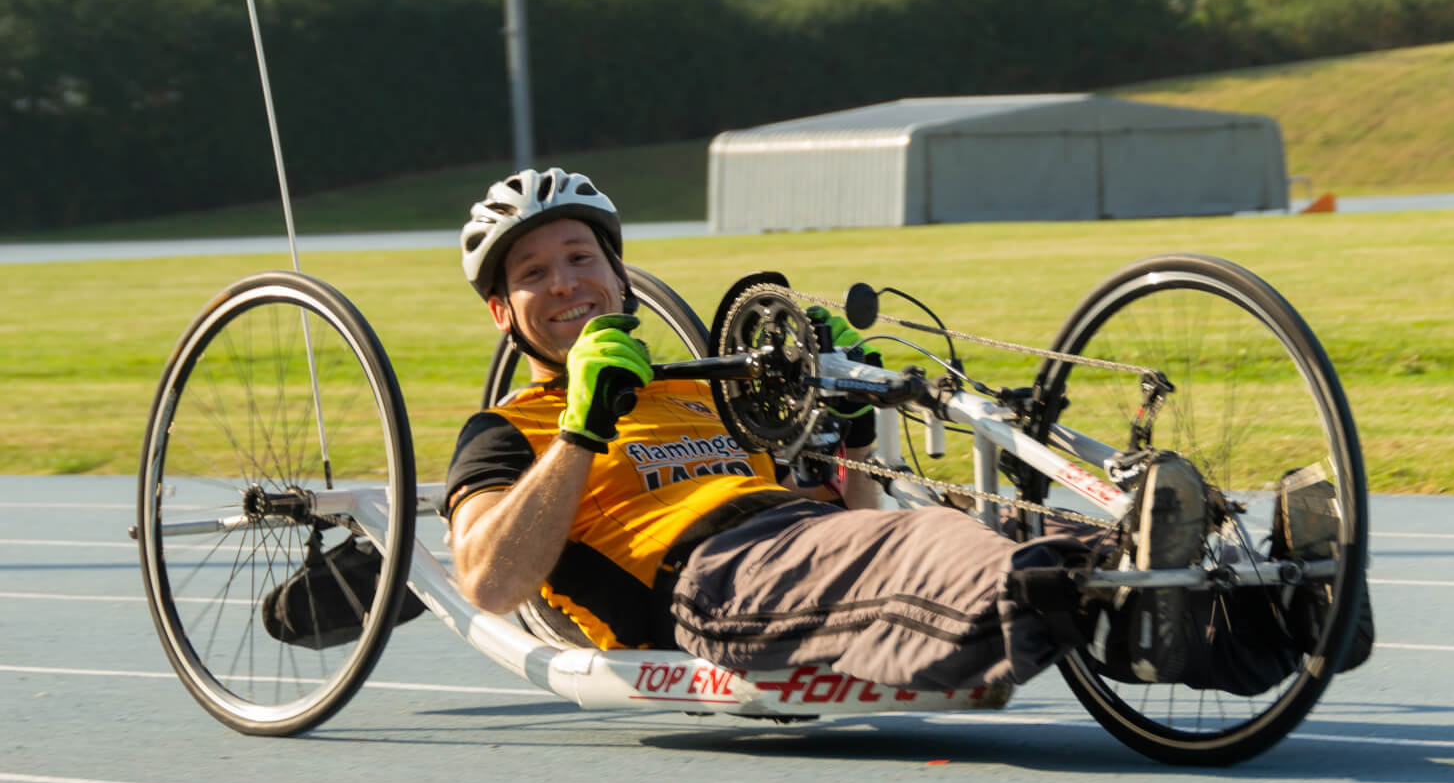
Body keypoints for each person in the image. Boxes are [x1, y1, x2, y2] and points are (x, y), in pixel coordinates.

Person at [441, 168, 1212, 691]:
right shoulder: (507, 429)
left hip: (802, 542)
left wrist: (854, 432)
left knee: (1002, 527)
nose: (565, 282)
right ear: (503, 312)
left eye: (580, 257)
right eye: (533, 273)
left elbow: (851, 519)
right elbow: (489, 580)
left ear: (618, 277)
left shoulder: (701, 392)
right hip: (704, 580)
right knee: (928, 541)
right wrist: (582, 426)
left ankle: (1260, 608)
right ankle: (1101, 602)